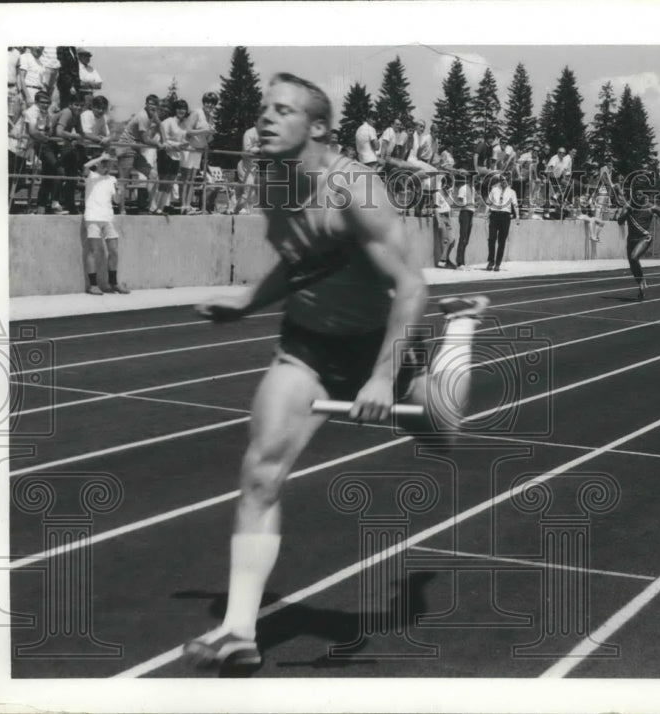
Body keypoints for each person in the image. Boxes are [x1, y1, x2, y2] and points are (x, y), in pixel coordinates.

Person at [183, 73, 489, 670]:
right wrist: (249, 303)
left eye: (283, 111)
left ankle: (465, 326)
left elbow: (409, 286)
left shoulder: (357, 191)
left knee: (442, 430)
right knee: (261, 470)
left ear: (318, 127)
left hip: (381, 341)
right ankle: (240, 630)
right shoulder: (273, 180)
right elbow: (297, 257)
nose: (265, 119)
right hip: (307, 348)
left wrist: (381, 377)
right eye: (264, 109)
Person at [81, 153, 129, 295]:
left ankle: (113, 283)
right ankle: (93, 285)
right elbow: (85, 166)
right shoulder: (90, 176)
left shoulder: (112, 179)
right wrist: (101, 158)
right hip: (92, 218)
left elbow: (116, 201)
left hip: (108, 218)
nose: (107, 166)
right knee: (93, 251)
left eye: (109, 164)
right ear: (99, 164)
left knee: (114, 250)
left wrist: (120, 190)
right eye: (104, 164)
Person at [616, 188, 660, 300]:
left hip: (644, 237)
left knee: (634, 257)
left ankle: (641, 281)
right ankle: (641, 284)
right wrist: (627, 214)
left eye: (640, 195)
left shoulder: (651, 207)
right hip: (631, 239)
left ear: (644, 196)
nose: (637, 197)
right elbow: (619, 221)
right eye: (635, 195)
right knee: (632, 265)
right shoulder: (628, 206)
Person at [115, 94, 163, 214]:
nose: (152, 106)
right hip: (126, 148)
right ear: (146, 104)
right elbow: (145, 139)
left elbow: (160, 125)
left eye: (155, 104)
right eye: (150, 103)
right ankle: (122, 210)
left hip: (135, 149)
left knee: (153, 175)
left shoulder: (153, 115)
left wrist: (165, 141)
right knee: (124, 180)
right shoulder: (143, 116)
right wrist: (158, 144)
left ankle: (151, 207)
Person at [179, 91, 218, 214]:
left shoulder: (211, 118)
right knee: (186, 178)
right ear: (204, 102)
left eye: (212, 103)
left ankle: (188, 205)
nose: (210, 105)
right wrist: (204, 130)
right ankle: (183, 206)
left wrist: (211, 133)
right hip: (189, 148)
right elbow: (188, 131)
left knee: (192, 178)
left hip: (199, 150)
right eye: (207, 102)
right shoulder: (197, 113)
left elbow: (207, 138)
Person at [152, 99, 191, 214]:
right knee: (163, 182)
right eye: (179, 108)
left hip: (176, 156)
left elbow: (184, 140)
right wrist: (178, 145)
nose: (181, 111)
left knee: (169, 184)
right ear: (175, 109)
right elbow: (163, 139)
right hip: (165, 154)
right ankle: (155, 208)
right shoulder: (169, 121)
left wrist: (183, 145)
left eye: (183, 108)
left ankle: (161, 208)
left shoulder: (184, 125)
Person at [485, 174, 519, 271]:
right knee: (491, 239)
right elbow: (488, 203)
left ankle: (498, 263)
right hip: (494, 215)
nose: (504, 182)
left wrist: (518, 216)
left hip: (505, 216)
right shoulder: (494, 190)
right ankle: (491, 261)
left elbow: (515, 205)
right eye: (502, 180)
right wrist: (485, 214)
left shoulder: (512, 192)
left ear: (508, 181)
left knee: (502, 241)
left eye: (506, 180)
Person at [235, 124, 262, 214]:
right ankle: (236, 209)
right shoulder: (250, 132)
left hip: (254, 166)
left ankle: (234, 207)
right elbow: (247, 150)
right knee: (249, 190)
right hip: (245, 164)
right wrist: (259, 149)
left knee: (245, 189)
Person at [455, 174, 478, 270]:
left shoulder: (473, 189)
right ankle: (459, 263)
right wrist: (469, 203)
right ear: (468, 179)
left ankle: (463, 262)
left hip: (471, 213)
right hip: (464, 212)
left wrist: (475, 204)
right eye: (472, 180)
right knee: (463, 238)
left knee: (466, 239)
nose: (474, 182)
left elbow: (474, 200)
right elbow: (459, 202)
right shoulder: (463, 188)